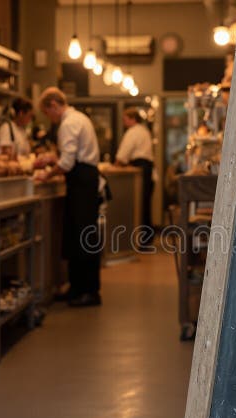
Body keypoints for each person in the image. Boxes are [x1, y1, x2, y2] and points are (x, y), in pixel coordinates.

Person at [36, 87, 102, 306]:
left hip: (81, 180)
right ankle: (77, 288)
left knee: (83, 235)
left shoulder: (68, 123)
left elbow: (67, 163)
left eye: (48, 113)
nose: (50, 119)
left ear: (53, 105)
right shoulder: (79, 118)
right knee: (80, 234)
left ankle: (88, 292)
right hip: (85, 178)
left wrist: (47, 174)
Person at [115, 107, 154, 244]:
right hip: (147, 168)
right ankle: (146, 238)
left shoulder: (133, 132)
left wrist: (116, 165)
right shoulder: (144, 131)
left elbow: (123, 154)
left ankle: (141, 240)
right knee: (145, 204)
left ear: (132, 119)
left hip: (140, 168)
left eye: (125, 119)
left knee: (139, 204)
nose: (124, 122)